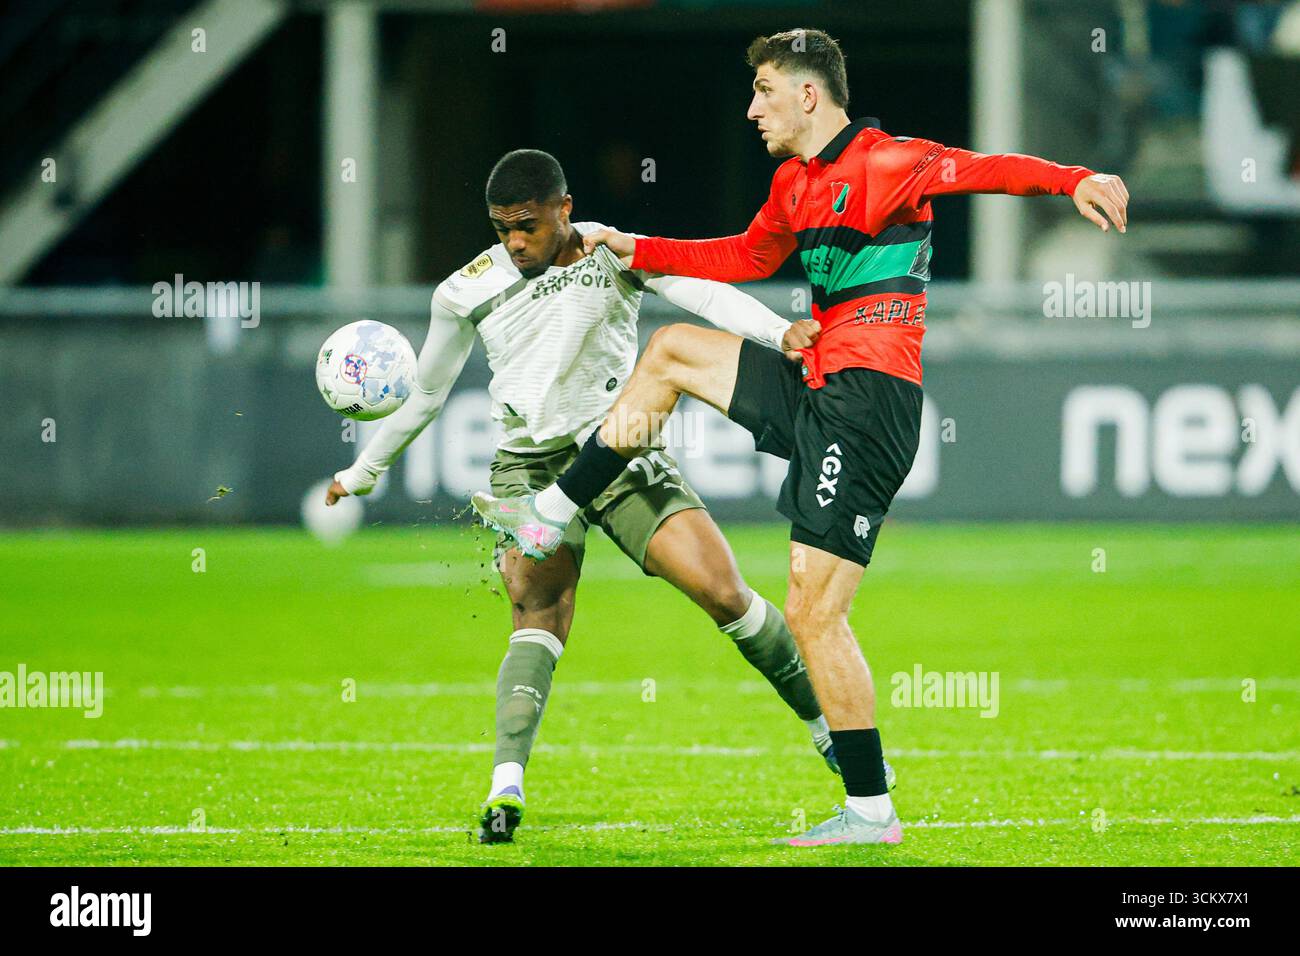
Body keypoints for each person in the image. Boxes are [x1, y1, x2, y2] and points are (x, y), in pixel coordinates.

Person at [473, 29, 1129, 846]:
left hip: (870, 403)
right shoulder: (795, 182)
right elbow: (745, 255)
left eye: (765, 91)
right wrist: (638, 247)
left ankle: (871, 812)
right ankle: (554, 506)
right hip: (817, 380)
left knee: (813, 610)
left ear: (808, 96)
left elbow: (986, 168)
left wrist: (1076, 179)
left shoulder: (888, 162)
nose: (751, 109)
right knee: (672, 352)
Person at [325, 148, 891, 844]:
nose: (513, 242)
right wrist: (366, 471)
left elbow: (701, 292)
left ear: (563, 209)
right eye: (501, 228)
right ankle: (507, 786)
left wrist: (778, 332)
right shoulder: (463, 290)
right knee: (538, 611)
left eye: (526, 226)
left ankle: (826, 730)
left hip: (617, 454)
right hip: (526, 469)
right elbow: (427, 394)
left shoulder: (610, 250)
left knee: (724, 593)